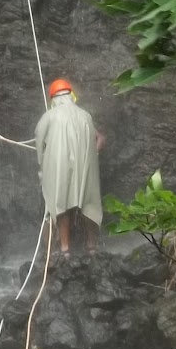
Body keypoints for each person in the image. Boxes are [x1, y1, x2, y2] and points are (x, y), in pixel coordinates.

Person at [34, 77, 105, 258]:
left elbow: (39, 141)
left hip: (59, 167)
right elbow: (99, 139)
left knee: (61, 204)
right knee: (89, 203)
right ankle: (92, 248)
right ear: (71, 95)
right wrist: (92, 155)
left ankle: (65, 249)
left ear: (53, 98)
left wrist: (43, 167)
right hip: (85, 166)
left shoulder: (49, 116)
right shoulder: (85, 115)